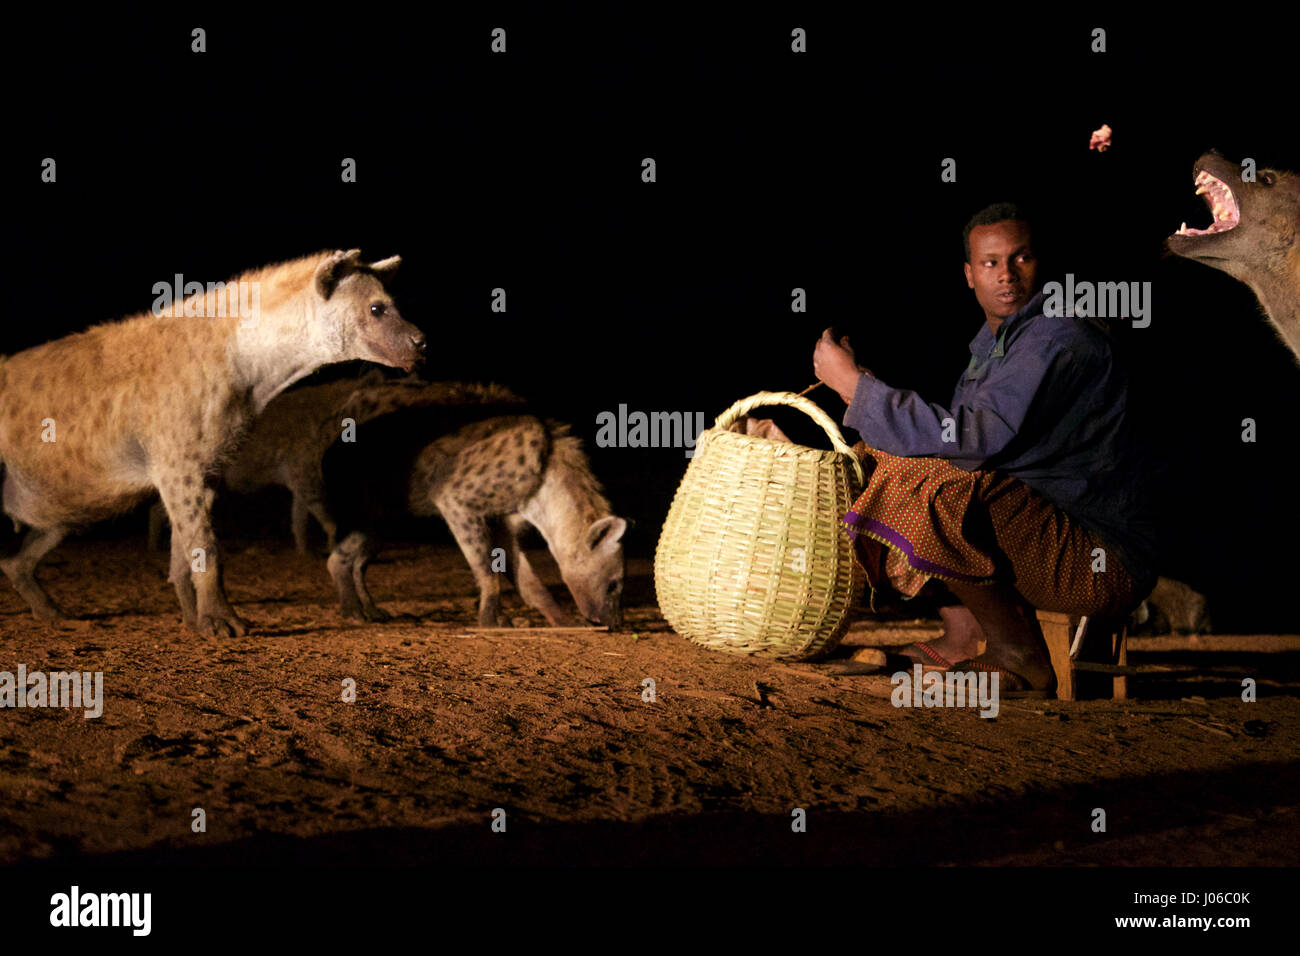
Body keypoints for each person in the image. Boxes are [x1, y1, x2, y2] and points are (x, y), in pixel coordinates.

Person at [813, 203, 1156, 695]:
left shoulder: (1058, 336)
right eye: (991, 263)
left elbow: (972, 443)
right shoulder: (996, 344)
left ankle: (1019, 656)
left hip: (1100, 562)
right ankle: (966, 631)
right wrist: (861, 392)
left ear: (1041, 263)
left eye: (1021, 259)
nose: (1007, 276)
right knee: (881, 459)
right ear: (969, 275)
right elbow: (953, 440)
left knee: (925, 484)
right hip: (1052, 537)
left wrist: (854, 387)